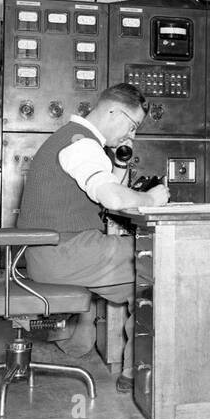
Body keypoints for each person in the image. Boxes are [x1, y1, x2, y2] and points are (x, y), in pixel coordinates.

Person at [17, 83, 169, 390]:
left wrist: (121, 160)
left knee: (141, 281)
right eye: (132, 126)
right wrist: (153, 198)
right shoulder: (81, 144)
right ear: (113, 111)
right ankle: (141, 373)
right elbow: (112, 198)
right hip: (64, 253)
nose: (132, 135)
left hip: (52, 252)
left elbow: (105, 190)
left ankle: (126, 364)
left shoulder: (74, 139)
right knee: (161, 261)